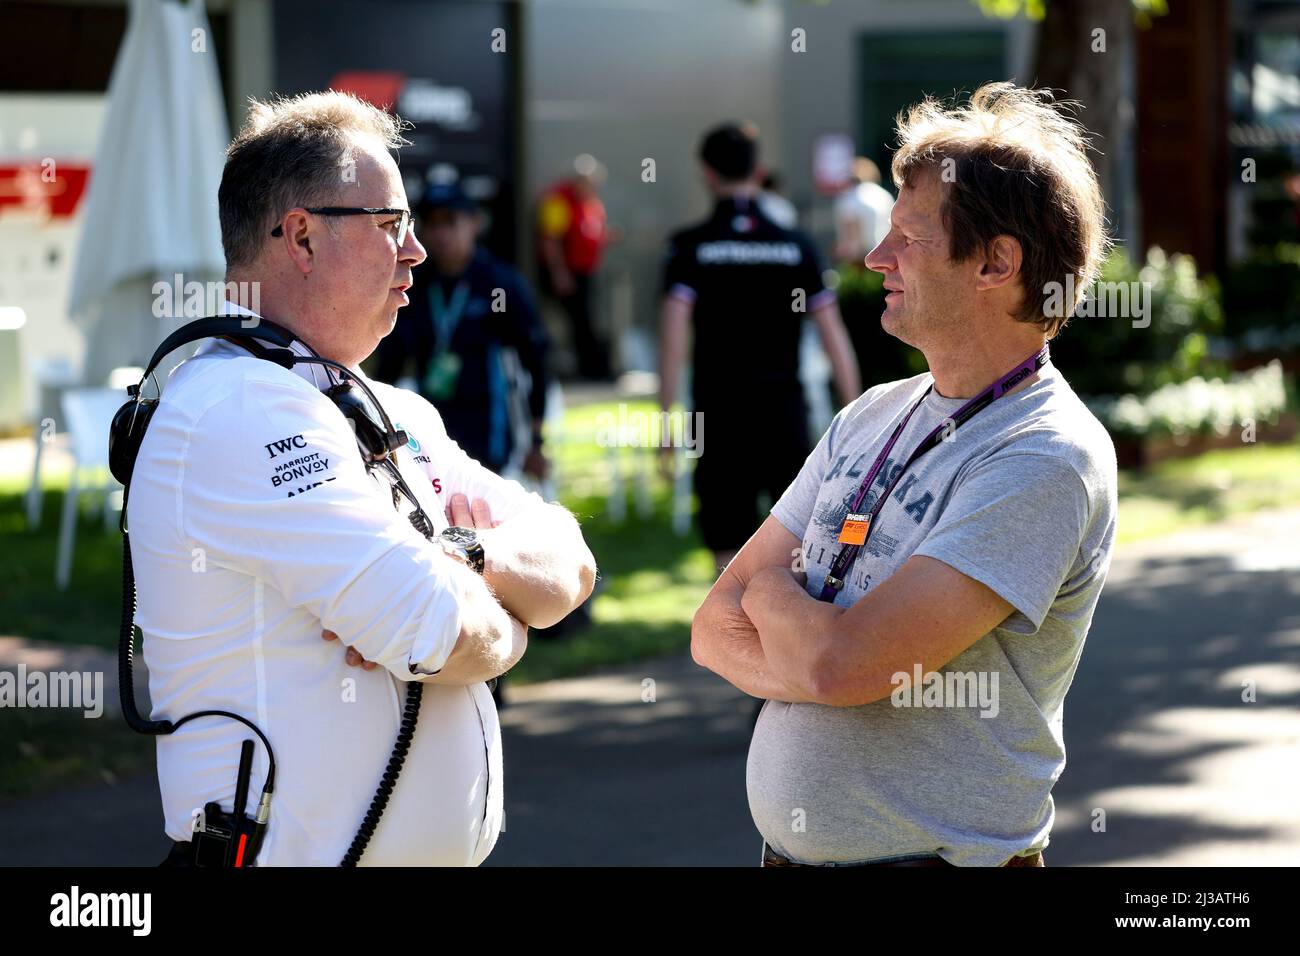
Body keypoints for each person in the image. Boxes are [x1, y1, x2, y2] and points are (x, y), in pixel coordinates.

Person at [128, 91, 596, 866]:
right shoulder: (239, 407)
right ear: (302, 238)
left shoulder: (378, 402)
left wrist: (465, 561)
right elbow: (444, 637)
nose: (413, 250)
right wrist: (506, 615)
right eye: (389, 225)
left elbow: (571, 561)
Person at [692, 83, 1118, 867]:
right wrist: (822, 658)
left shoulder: (1046, 453)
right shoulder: (873, 412)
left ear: (997, 263)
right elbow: (712, 627)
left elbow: (838, 661)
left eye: (909, 238)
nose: (874, 257)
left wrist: (777, 600)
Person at [658, 122, 861, 570]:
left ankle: (728, 639)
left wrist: (666, 421)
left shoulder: (690, 247)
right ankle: (786, 639)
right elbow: (835, 337)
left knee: (726, 555)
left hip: (717, 415)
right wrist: (854, 418)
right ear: (759, 170)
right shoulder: (797, 246)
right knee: (796, 553)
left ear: (706, 173)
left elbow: (672, 338)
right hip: (784, 414)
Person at [375, 178, 551, 480]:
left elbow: (536, 359)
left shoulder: (499, 284)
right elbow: (389, 363)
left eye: (451, 221)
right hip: (429, 437)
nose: (441, 233)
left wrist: (536, 442)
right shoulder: (411, 284)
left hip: (491, 438)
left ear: (474, 223)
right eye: (432, 223)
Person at [537, 154, 611, 380]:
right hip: (566, 273)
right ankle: (586, 369)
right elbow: (550, 239)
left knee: (585, 320)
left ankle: (591, 368)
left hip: (585, 273)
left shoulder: (590, 202)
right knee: (578, 322)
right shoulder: (558, 200)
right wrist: (560, 274)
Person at [834, 156, 894, 266]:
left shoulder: (849, 198)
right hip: (887, 256)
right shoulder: (885, 196)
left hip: (862, 261)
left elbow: (852, 236)